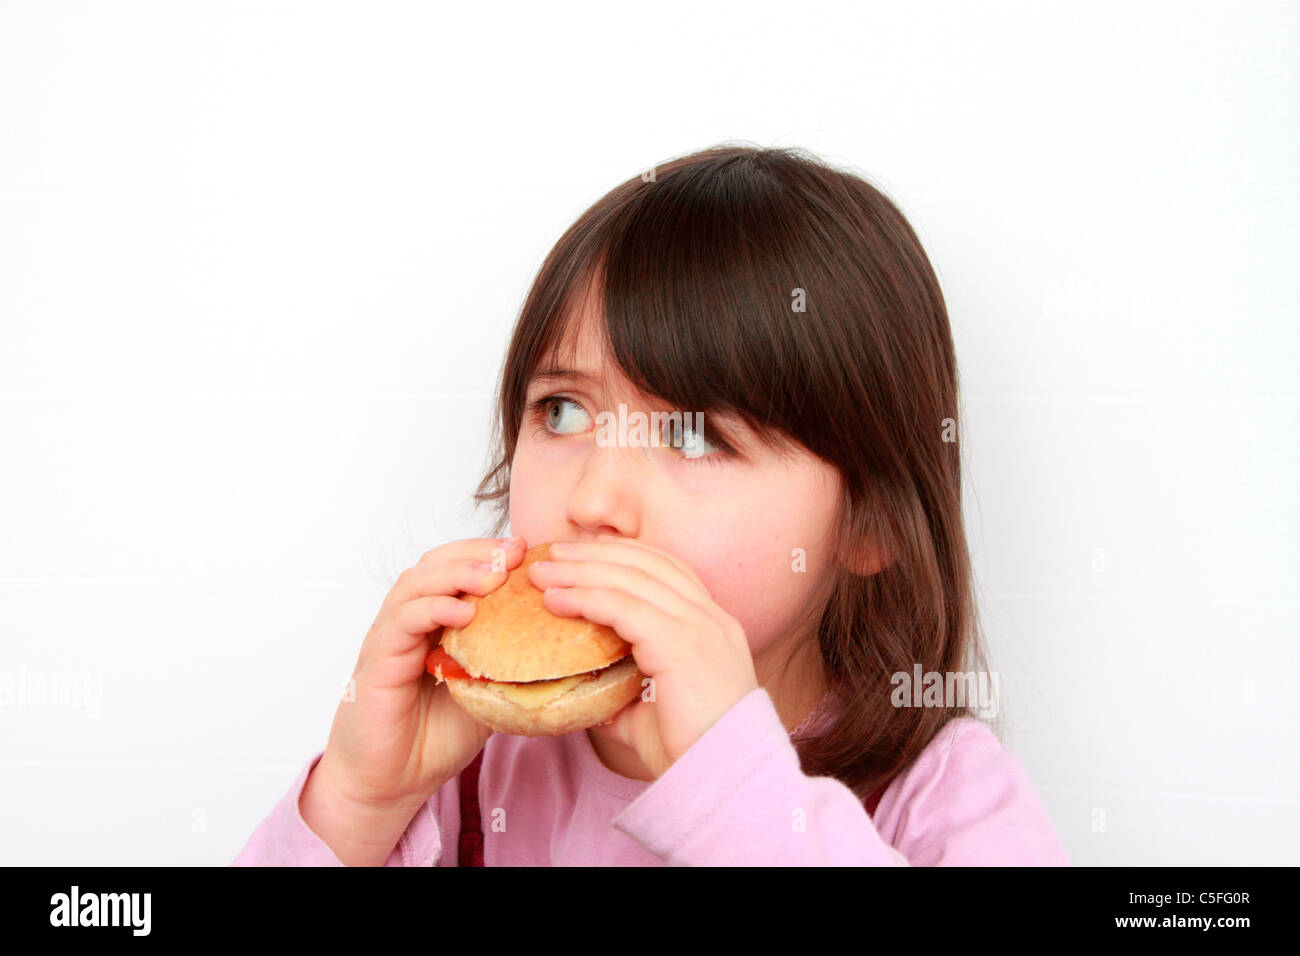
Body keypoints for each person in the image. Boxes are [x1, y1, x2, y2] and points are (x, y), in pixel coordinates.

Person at [233, 144, 1069, 866]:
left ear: (872, 521)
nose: (594, 499)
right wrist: (356, 802)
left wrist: (730, 783)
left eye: (696, 436)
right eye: (562, 412)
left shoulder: (945, 798)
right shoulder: (474, 774)